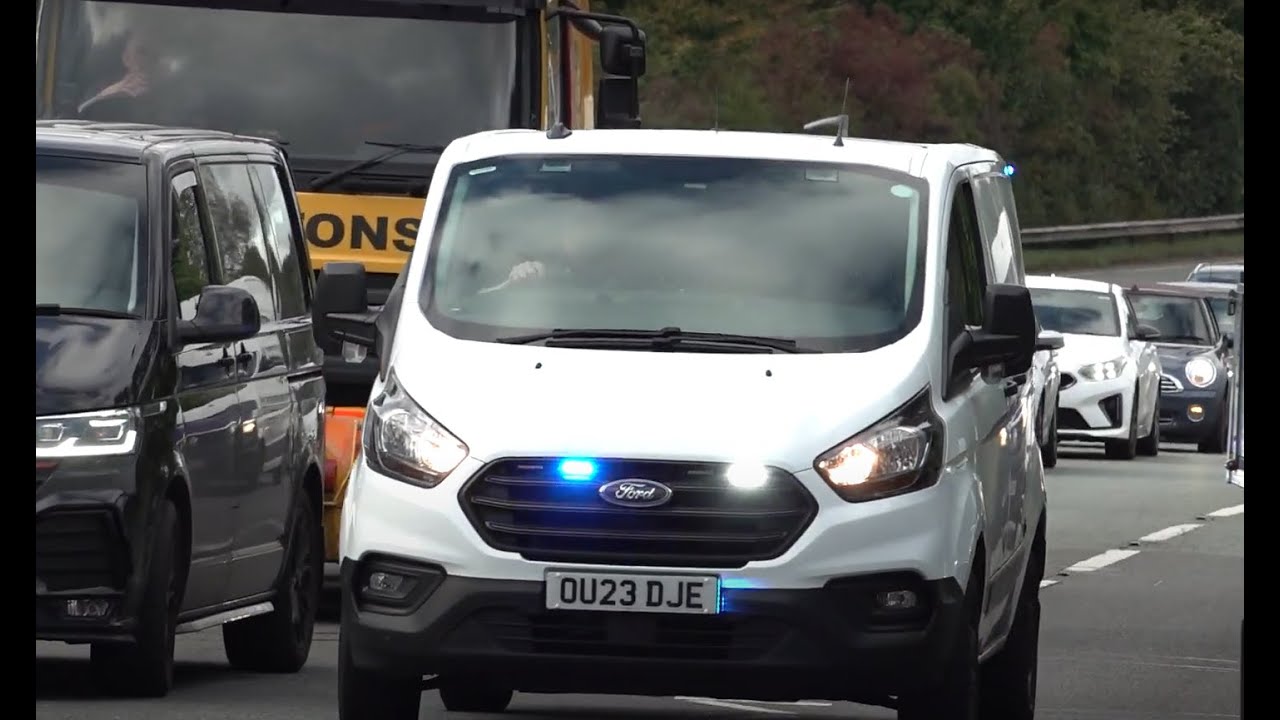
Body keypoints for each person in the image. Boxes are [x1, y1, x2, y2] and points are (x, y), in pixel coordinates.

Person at [78, 31, 160, 120]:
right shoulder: (102, 88)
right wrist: (105, 96)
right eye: (142, 51)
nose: (149, 58)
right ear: (126, 58)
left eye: (156, 53)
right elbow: (79, 115)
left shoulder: (169, 95)